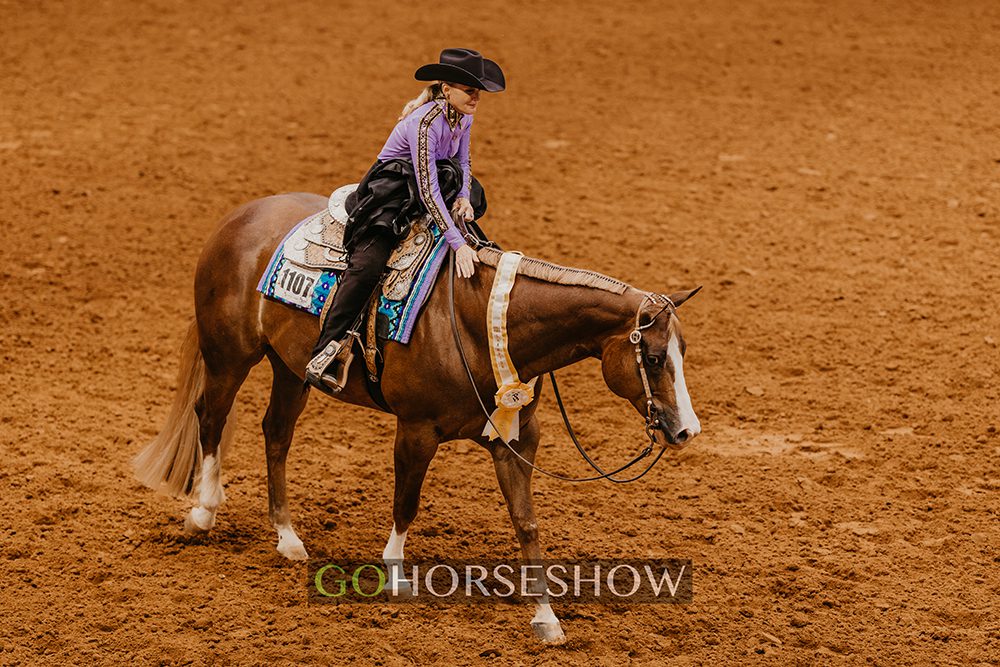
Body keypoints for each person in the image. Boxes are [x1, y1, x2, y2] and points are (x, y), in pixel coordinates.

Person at [305, 48, 505, 394]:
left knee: (480, 235)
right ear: (447, 89)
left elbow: (464, 163)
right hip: (392, 194)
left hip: (437, 186)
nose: (476, 98)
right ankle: (328, 348)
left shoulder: (464, 117)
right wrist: (456, 243)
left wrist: (462, 197)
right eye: (470, 90)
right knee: (368, 265)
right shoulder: (423, 124)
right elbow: (427, 190)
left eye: (478, 92)